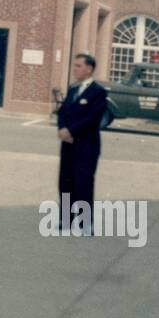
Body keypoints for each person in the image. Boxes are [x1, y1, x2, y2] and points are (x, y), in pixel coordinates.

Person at [57, 52, 109, 235]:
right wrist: (62, 128)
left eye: (78, 66)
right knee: (65, 181)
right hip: (68, 144)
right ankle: (66, 219)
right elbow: (62, 112)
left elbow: (92, 119)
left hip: (86, 146)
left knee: (83, 183)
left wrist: (71, 131)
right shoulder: (72, 89)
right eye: (75, 65)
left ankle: (85, 223)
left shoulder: (98, 92)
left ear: (89, 69)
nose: (75, 69)